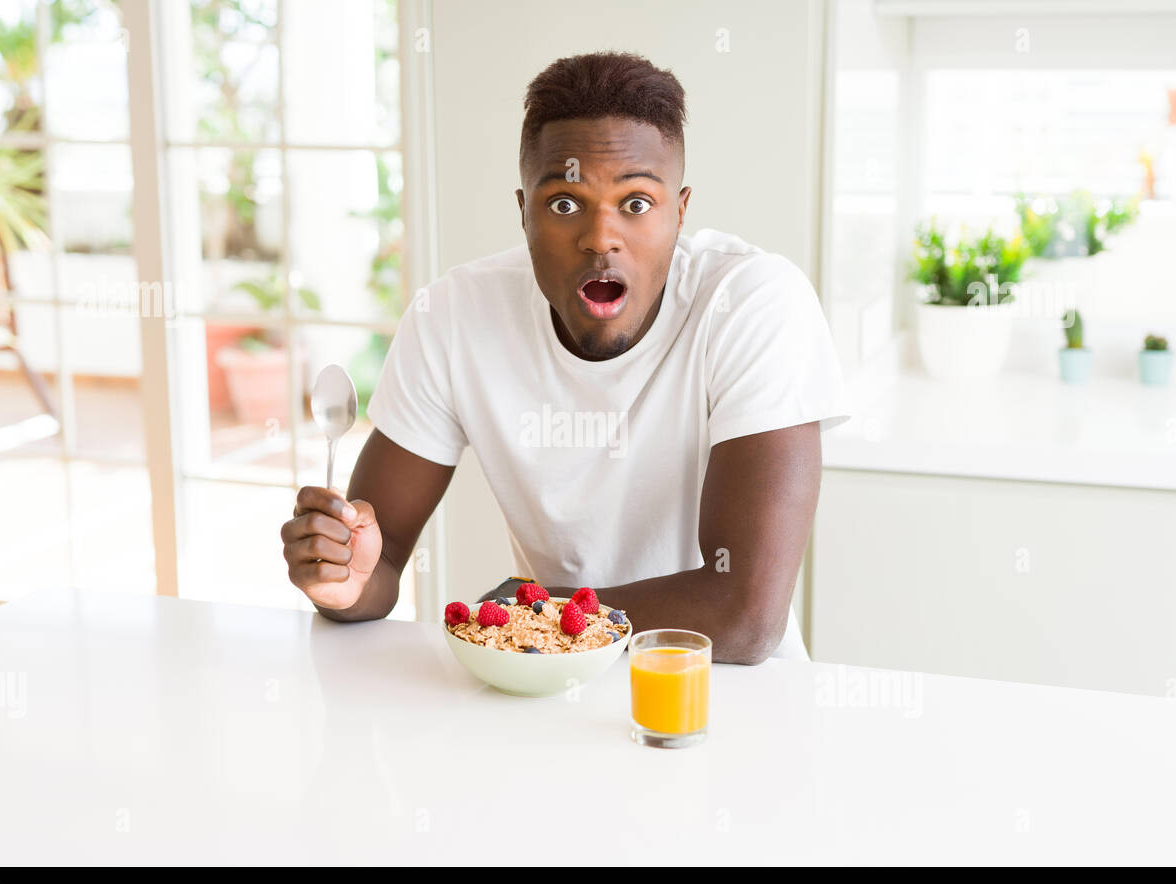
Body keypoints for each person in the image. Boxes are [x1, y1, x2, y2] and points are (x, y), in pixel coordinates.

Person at [280, 51, 850, 664]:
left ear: (680, 213)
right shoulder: (452, 316)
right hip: (548, 690)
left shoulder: (754, 303)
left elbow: (744, 616)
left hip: (729, 702)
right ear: (523, 212)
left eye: (636, 203)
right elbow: (381, 558)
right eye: (564, 203)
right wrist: (341, 580)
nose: (600, 236)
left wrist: (534, 608)